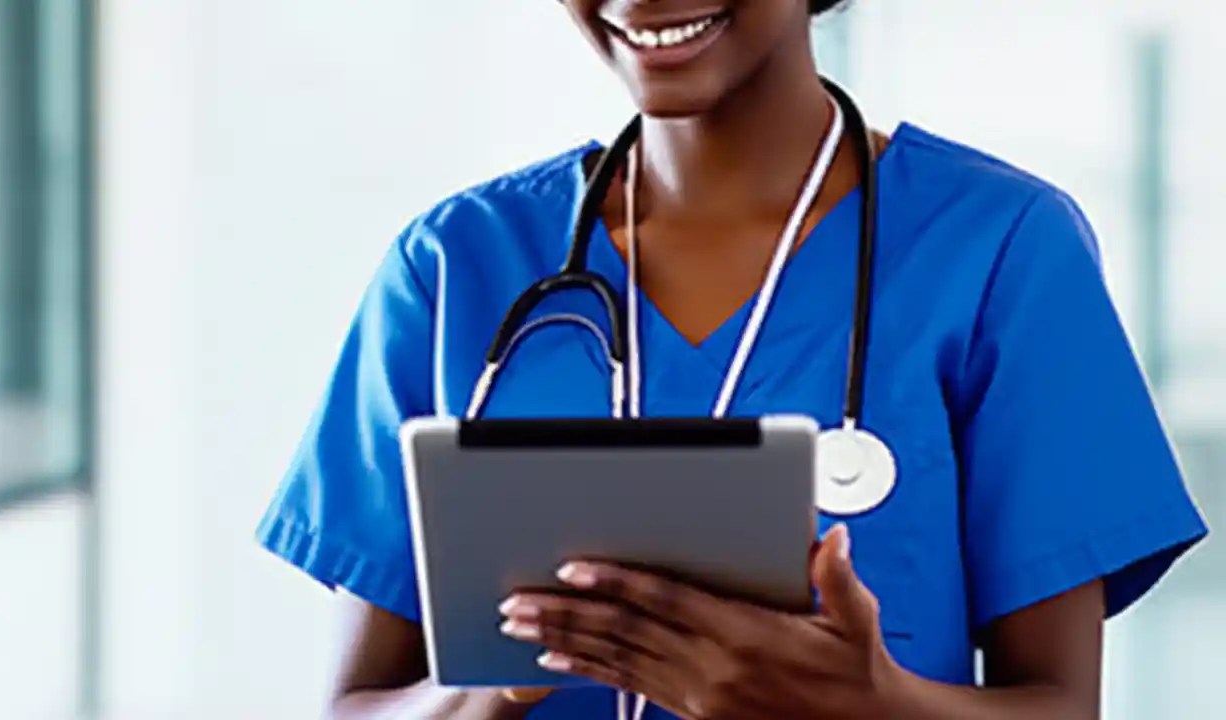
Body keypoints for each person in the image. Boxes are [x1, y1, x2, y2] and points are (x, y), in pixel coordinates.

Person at [255, 0, 1208, 717]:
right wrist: (493, 689)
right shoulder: (456, 264)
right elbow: (357, 706)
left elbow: (1061, 707)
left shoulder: (999, 250)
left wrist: (871, 702)